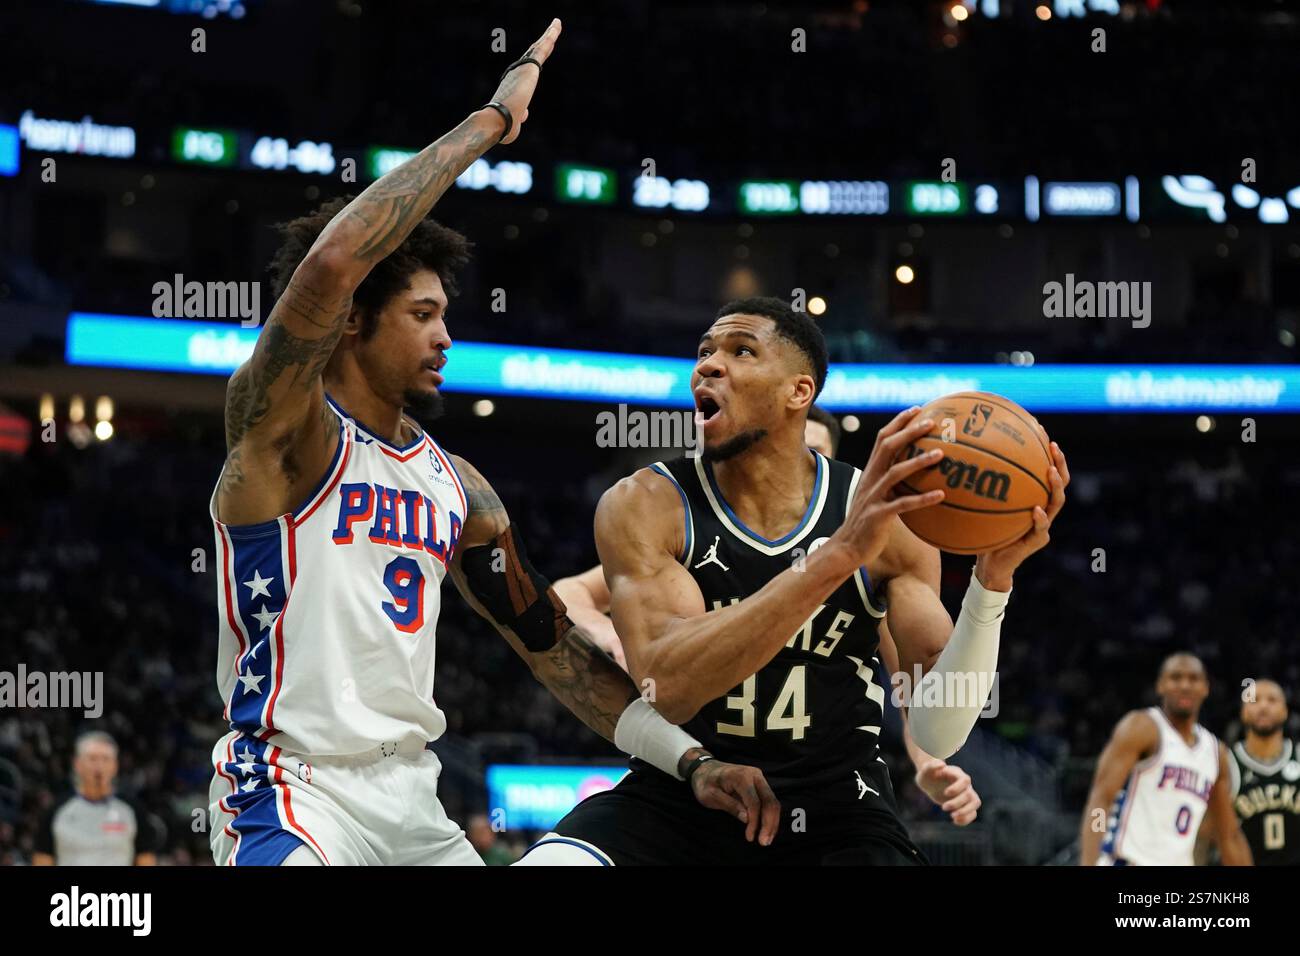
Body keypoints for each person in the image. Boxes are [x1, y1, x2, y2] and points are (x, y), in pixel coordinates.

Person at [207, 20, 776, 866]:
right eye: (424, 316)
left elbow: (553, 648)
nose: (446, 339)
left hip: (413, 800)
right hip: (291, 789)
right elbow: (327, 268)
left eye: (448, 317)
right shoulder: (285, 435)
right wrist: (494, 122)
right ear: (356, 321)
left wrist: (688, 760)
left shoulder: (459, 487)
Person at [519, 296, 1068, 865]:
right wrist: (835, 559)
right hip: (683, 792)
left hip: (839, 807)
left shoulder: (890, 517)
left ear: (798, 393)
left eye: (741, 350)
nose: (708, 364)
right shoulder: (647, 503)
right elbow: (671, 686)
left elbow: (937, 726)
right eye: (704, 351)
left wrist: (991, 585)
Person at [554, 404, 982, 828]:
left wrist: (927, 760)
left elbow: (911, 676)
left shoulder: (866, 543)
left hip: (822, 792)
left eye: (812, 457)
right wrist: (610, 635)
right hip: (691, 777)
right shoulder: (689, 532)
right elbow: (568, 592)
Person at [1080, 653, 1251, 866]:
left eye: (1193, 679)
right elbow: (1100, 801)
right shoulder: (1141, 727)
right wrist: (1089, 862)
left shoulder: (1216, 753)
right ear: (1161, 686)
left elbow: (1229, 836)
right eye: (1176, 677)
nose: (1185, 685)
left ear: (1205, 688)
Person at [33, 732, 158, 866]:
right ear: (77, 764)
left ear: (115, 766)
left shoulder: (133, 810)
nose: (99, 767)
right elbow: (42, 859)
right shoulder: (56, 810)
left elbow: (146, 859)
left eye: (105, 759)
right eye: (92, 759)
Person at [1226, 678, 1299, 865]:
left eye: (1272, 700)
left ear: (1285, 712)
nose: (1264, 706)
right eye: (1254, 700)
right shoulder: (1227, 763)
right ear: (1243, 712)